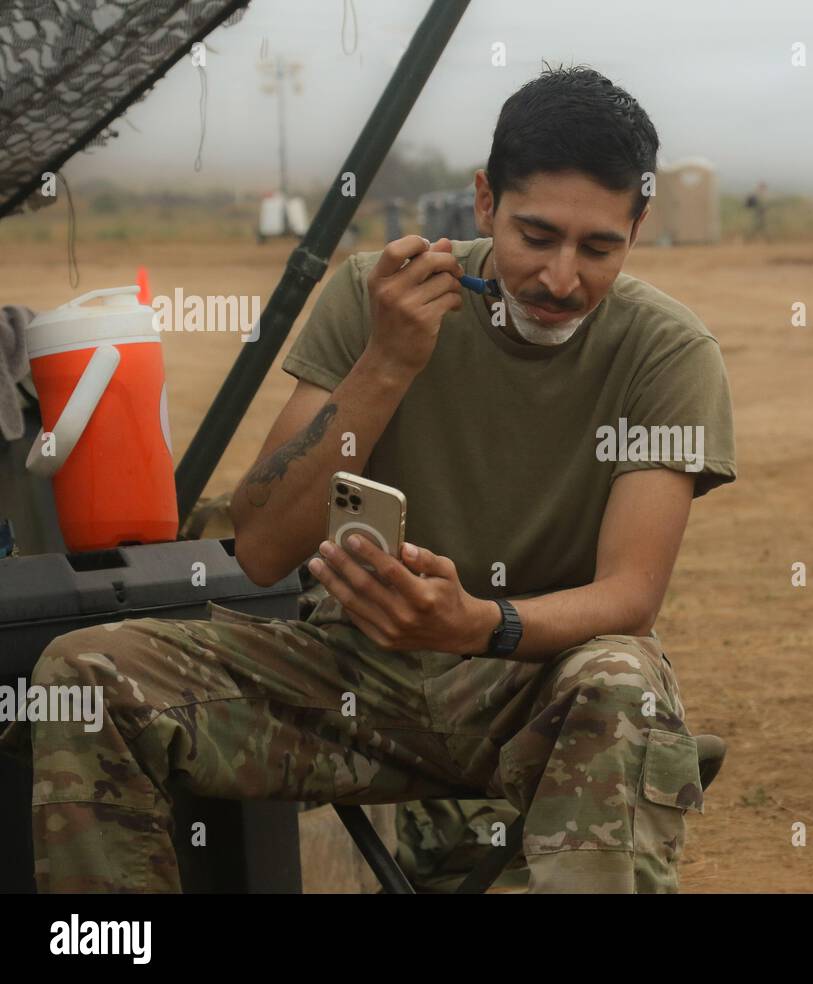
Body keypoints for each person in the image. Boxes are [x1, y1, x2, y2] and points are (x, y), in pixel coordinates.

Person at [0, 64, 737, 894]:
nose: (562, 279)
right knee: (82, 674)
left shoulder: (667, 353)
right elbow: (267, 546)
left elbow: (630, 595)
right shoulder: (375, 295)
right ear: (485, 202)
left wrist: (478, 623)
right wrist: (387, 362)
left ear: (637, 228)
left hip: (532, 692)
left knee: (621, 678)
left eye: (599, 247)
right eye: (537, 236)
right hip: (347, 683)